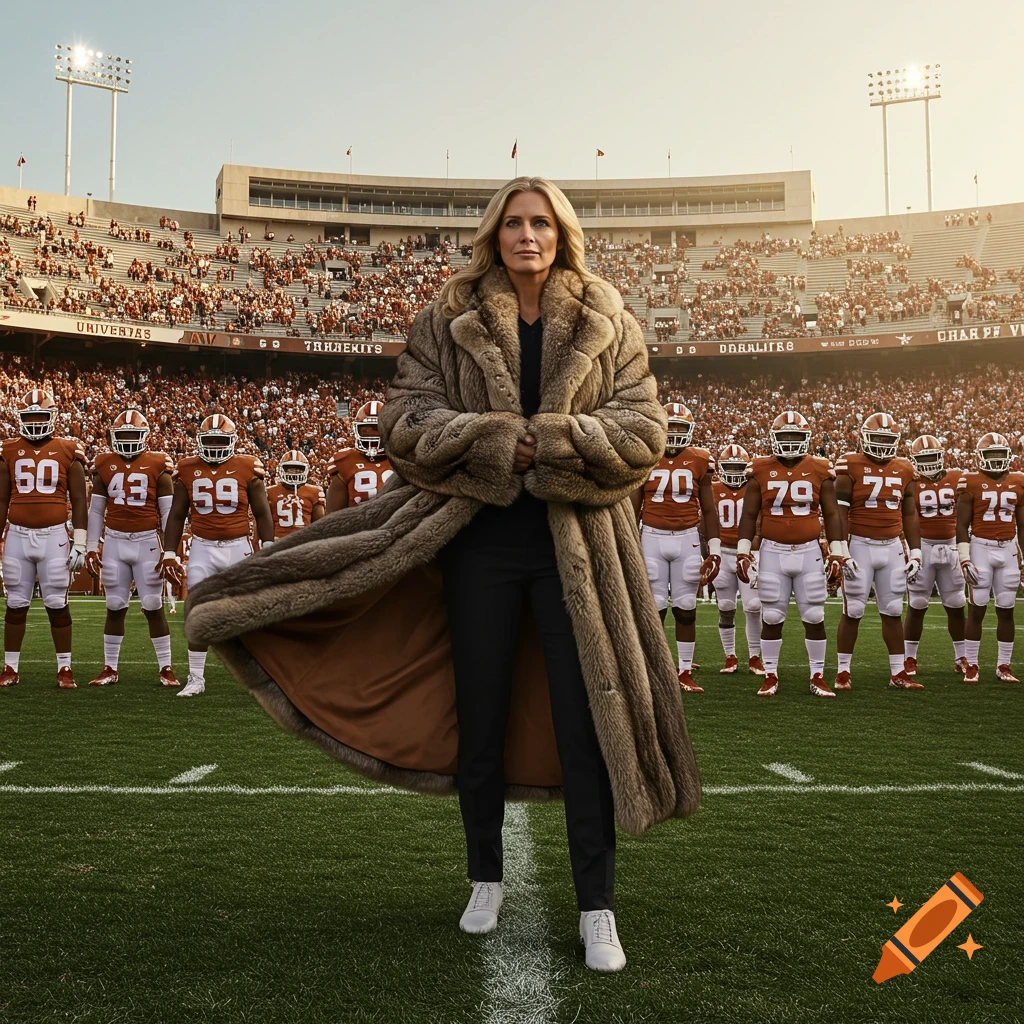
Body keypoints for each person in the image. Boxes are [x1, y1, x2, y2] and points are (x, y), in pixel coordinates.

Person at [183, 177, 700, 974]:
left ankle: (597, 905)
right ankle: (484, 876)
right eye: (515, 223)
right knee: (480, 721)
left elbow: (645, 429)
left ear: (562, 233)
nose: (529, 235)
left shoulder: (610, 320)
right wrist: (500, 441)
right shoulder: (445, 319)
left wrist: (554, 444)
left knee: (588, 726)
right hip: (477, 543)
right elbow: (404, 421)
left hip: (582, 550)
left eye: (542, 222)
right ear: (494, 234)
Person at [162, 414, 274, 696]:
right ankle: (196, 678)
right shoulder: (187, 468)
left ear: (232, 441)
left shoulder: (248, 467)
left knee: (250, 612)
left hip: (239, 547)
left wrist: (269, 546)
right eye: (209, 440)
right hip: (202, 547)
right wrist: (169, 553)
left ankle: (262, 677)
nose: (213, 445)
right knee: (196, 611)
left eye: (219, 440)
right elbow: (176, 515)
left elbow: (262, 512)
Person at [737, 411, 844, 697]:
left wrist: (836, 551)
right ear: (773, 438)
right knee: (771, 616)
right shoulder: (759, 468)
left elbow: (832, 514)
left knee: (814, 614)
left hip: (809, 550)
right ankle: (770, 675)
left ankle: (817, 675)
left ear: (807, 438)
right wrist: (743, 551)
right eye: (784, 436)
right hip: (773, 550)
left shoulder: (820, 468)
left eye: (795, 436)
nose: (789, 442)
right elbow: (749, 515)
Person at [85, 410, 180, 687]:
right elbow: (96, 511)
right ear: (114, 437)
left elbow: (169, 514)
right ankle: (110, 668)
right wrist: (92, 546)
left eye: (132, 435)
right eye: (122, 435)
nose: (127, 441)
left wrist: (170, 550)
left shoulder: (158, 465)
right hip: (114, 541)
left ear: (144, 437)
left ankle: (166, 668)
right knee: (114, 605)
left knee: (153, 605)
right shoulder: (103, 464)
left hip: (147, 541)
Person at [631, 403, 721, 693]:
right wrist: (630, 540)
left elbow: (708, 509)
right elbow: (634, 504)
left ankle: (684, 671)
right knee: (654, 607)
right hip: (652, 537)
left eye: (680, 428)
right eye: (670, 427)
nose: (674, 434)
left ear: (690, 431)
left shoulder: (700, 460)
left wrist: (715, 548)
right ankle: (654, 670)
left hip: (687, 538)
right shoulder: (646, 454)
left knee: (686, 607)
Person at [0, 390, 87, 688]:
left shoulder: (68, 449)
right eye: (29, 417)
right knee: (15, 602)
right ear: (20, 419)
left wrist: (81, 541)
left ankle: (65, 667)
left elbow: (78, 499)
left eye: (41, 416)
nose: (35, 423)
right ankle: (10, 667)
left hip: (54, 536)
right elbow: (1, 500)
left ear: (53, 417)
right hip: (17, 535)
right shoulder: (8, 450)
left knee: (56, 602)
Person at [834, 413, 923, 691]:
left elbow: (910, 514)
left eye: (888, 439)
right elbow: (839, 512)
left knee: (893, 609)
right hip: (860, 544)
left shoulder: (905, 468)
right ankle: (843, 671)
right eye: (878, 438)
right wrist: (842, 550)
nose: (883, 445)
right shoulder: (850, 464)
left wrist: (917, 552)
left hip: (893, 546)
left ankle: (898, 672)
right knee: (854, 610)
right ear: (864, 438)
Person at [957, 432, 1024, 683]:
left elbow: (1023, 525)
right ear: (980, 457)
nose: (996, 461)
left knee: (1007, 609)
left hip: (1008, 548)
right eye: (990, 455)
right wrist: (964, 557)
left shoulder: (1019, 480)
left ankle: (1003, 665)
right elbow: (962, 524)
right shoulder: (970, 482)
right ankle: (971, 664)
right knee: (977, 608)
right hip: (980, 548)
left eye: (1000, 455)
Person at [903, 435, 967, 677]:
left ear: (941, 456)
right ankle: (909, 658)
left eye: (932, 457)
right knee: (917, 603)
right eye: (923, 458)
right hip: (924, 545)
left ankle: (961, 656)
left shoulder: (956, 478)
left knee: (957, 603)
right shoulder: (911, 481)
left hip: (951, 545)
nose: (929, 463)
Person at [710, 444, 763, 675]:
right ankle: (730, 656)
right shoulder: (712, 489)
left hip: (748, 555)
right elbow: (706, 523)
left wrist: (755, 548)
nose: (733, 471)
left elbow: (760, 525)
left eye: (737, 466)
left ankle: (754, 656)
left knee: (753, 606)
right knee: (726, 606)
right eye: (729, 466)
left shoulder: (755, 487)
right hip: (722, 552)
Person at [324, 401, 393, 513]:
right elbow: (331, 516)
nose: (372, 436)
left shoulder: (402, 459)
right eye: (366, 430)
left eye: (377, 429)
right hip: (358, 528)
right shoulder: (345, 461)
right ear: (356, 430)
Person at [266, 450, 325, 537]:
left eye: (298, 469)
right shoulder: (270, 492)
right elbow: (264, 522)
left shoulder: (315, 492)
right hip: (278, 540)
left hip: (304, 541)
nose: (294, 472)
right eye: (290, 468)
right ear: (282, 469)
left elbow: (319, 525)